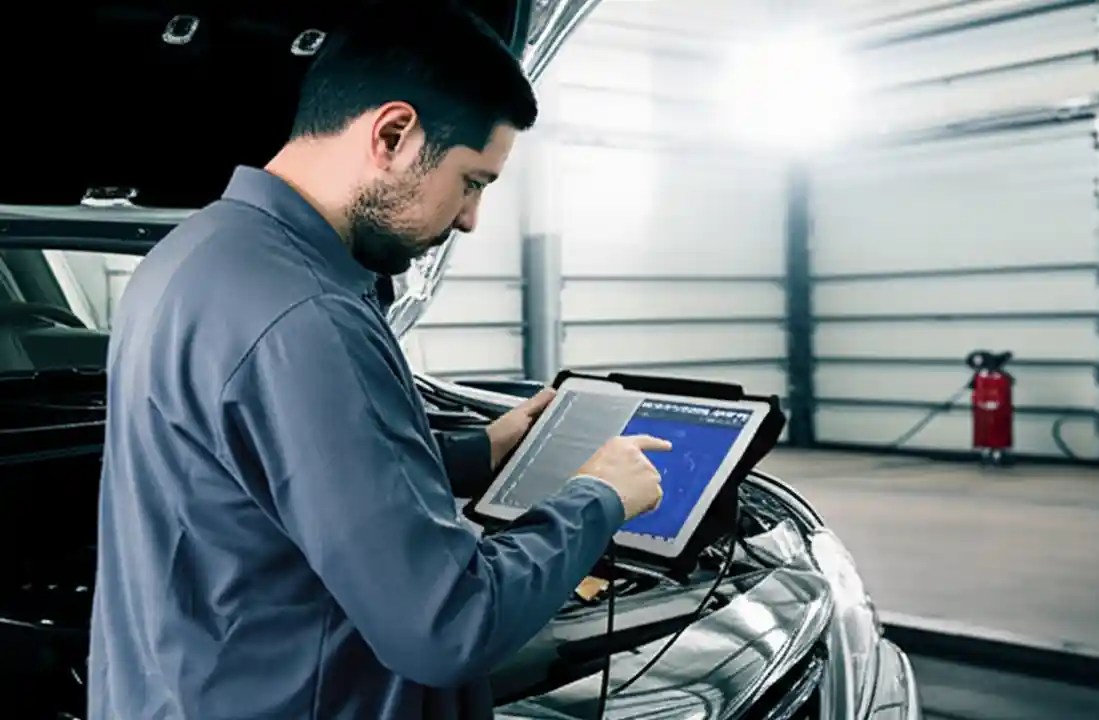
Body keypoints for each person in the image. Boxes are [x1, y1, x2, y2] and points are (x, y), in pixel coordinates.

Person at [87, 3, 668, 719]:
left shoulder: (196, 254)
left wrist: (478, 451)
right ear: (394, 134)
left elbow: (270, 472)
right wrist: (596, 499)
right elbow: (446, 628)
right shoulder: (308, 316)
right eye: (473, 181)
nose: (469, 219)